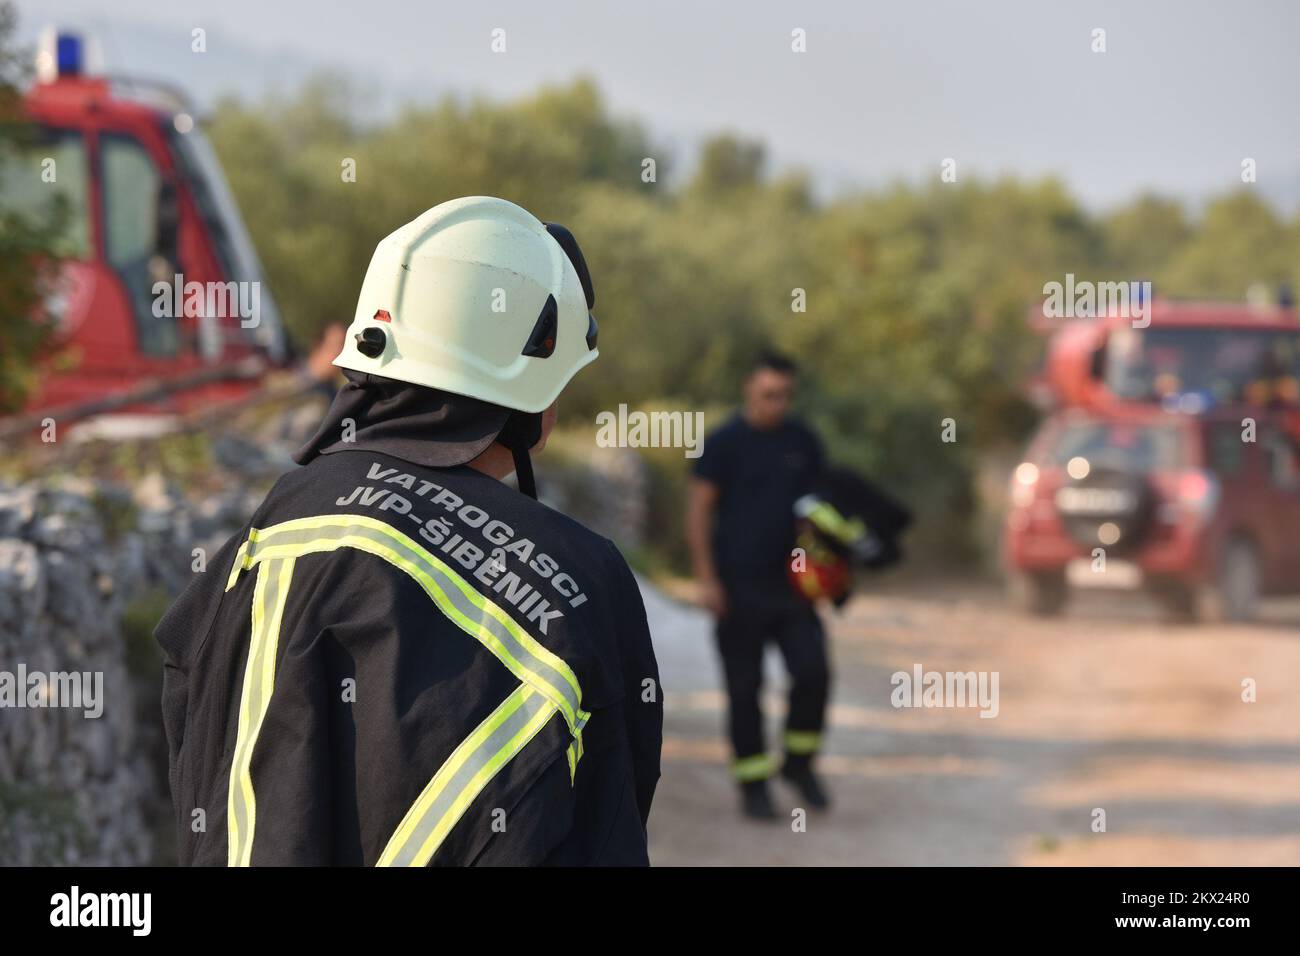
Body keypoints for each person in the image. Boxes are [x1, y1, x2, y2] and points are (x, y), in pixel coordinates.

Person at [155, 196, 662, 865]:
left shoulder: (270, 527)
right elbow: (611, 821)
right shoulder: (580, 577)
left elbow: (194, 740)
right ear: (534, 385)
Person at [686, 351, 831, 819]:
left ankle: (799, 765)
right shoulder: (724, 443)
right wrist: (707, 580)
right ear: (749, 388)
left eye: (786, 395)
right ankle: (753, 785)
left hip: (793, 590)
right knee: (744, 690)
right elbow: (699, 512)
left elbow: (823, 509)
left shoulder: (803, 441)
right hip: (737, 591)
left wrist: (832, 568)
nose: (778, 403)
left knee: (813, 674)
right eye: (770, 394)